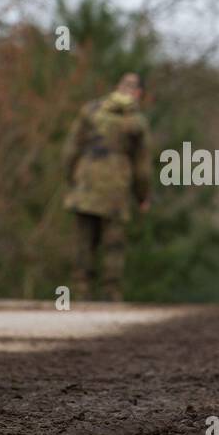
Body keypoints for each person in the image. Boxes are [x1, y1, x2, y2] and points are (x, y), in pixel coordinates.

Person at [63, 73, 151, 302]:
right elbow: (142, 166)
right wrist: (142, 196)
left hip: (86, 180)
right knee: (114, 243)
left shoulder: (90, 110)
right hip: (116, 185)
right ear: (139, 93)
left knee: (84, 240)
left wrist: (72, 178)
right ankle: (111, 294)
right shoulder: (136, 121)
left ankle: (81, 291)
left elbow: (71, 149)